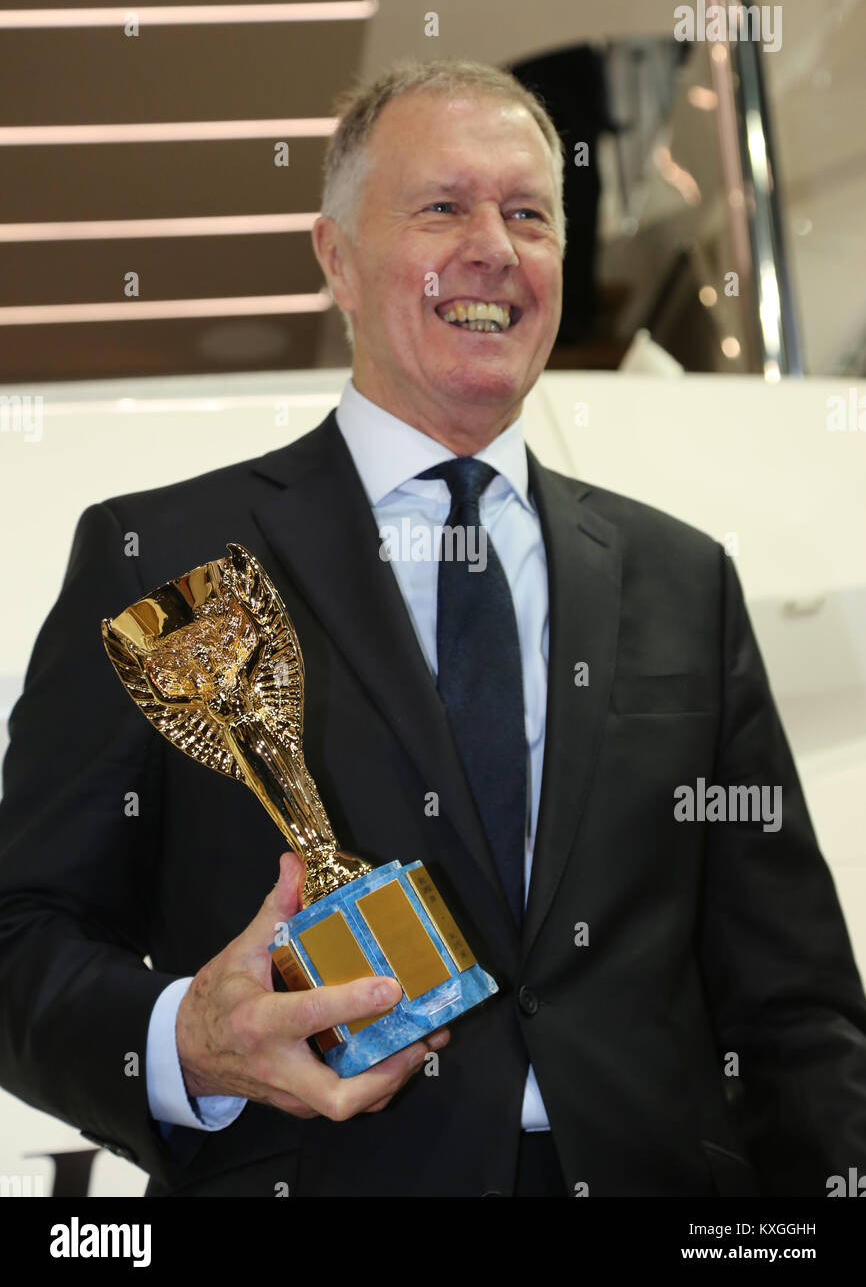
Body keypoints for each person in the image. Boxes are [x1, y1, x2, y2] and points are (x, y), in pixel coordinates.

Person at [1, 59, 865, 1198]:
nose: (493, 249)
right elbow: (21, 935)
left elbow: (791, 999)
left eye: (527, 214)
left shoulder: (678, 576)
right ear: (335, 258)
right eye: (441, 207)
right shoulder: (161, 564)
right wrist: (184, 1040)